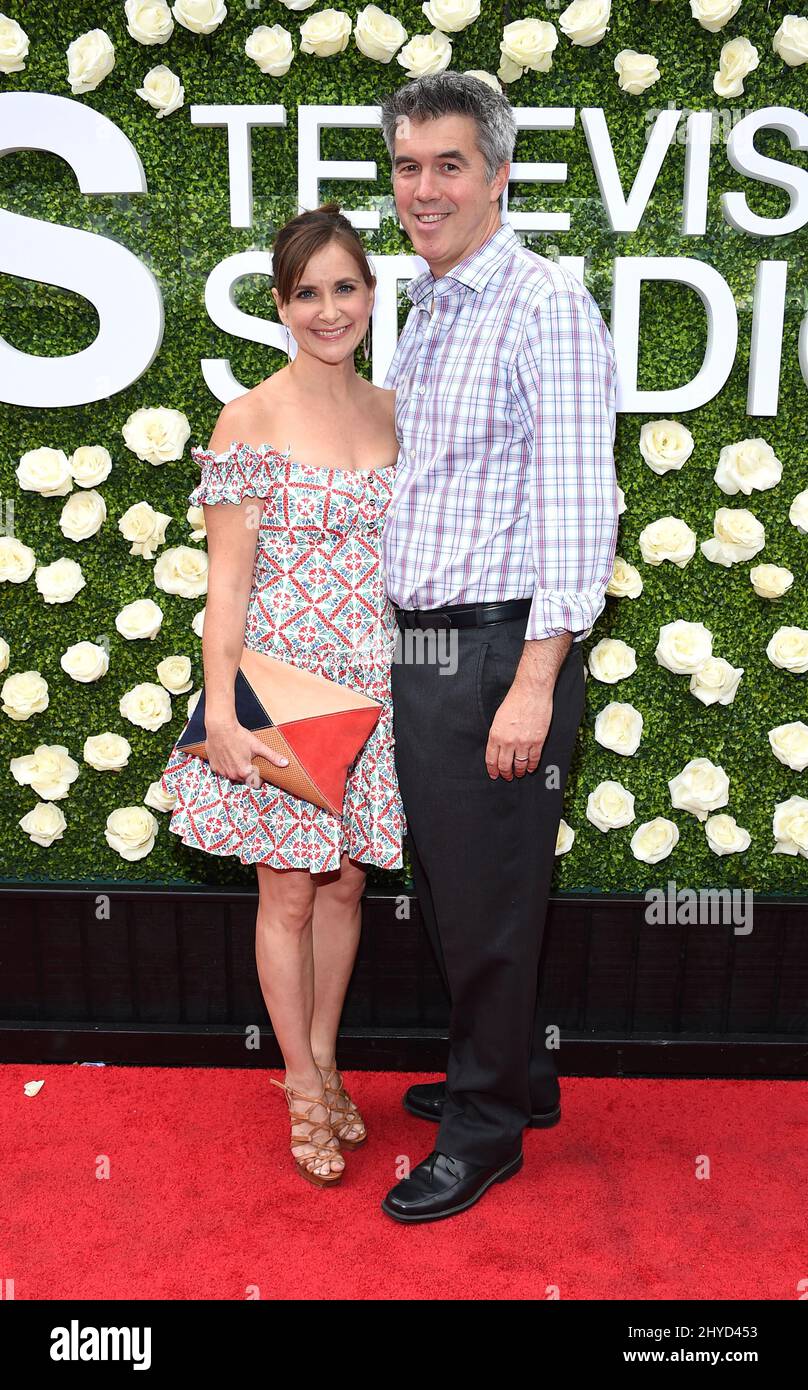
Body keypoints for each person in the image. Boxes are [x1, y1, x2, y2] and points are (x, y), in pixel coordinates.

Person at [377, 73, 620, 1223]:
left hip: (495, 657)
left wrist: (533, 681)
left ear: (499, 174)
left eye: (448, 165)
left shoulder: (541, 305)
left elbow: (581, 507)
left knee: (488, 896)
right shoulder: (430, 305)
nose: (423, 189)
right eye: (407, 166)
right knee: (458, 886)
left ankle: (486, 1128)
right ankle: (516, 1073)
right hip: (427, 651)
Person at [160, 203, 406, 1188]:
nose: (328, 308)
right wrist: (221, 705)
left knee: (345, 881)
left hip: (376, 682)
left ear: (369, 295)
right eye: (308, 292)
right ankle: (302, 1087)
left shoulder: (393, 410)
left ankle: (328, 1058)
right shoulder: (249, 417)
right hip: (282, 683)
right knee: (290, 890)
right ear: (280, 304)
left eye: (344, 287)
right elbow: (225, 581)